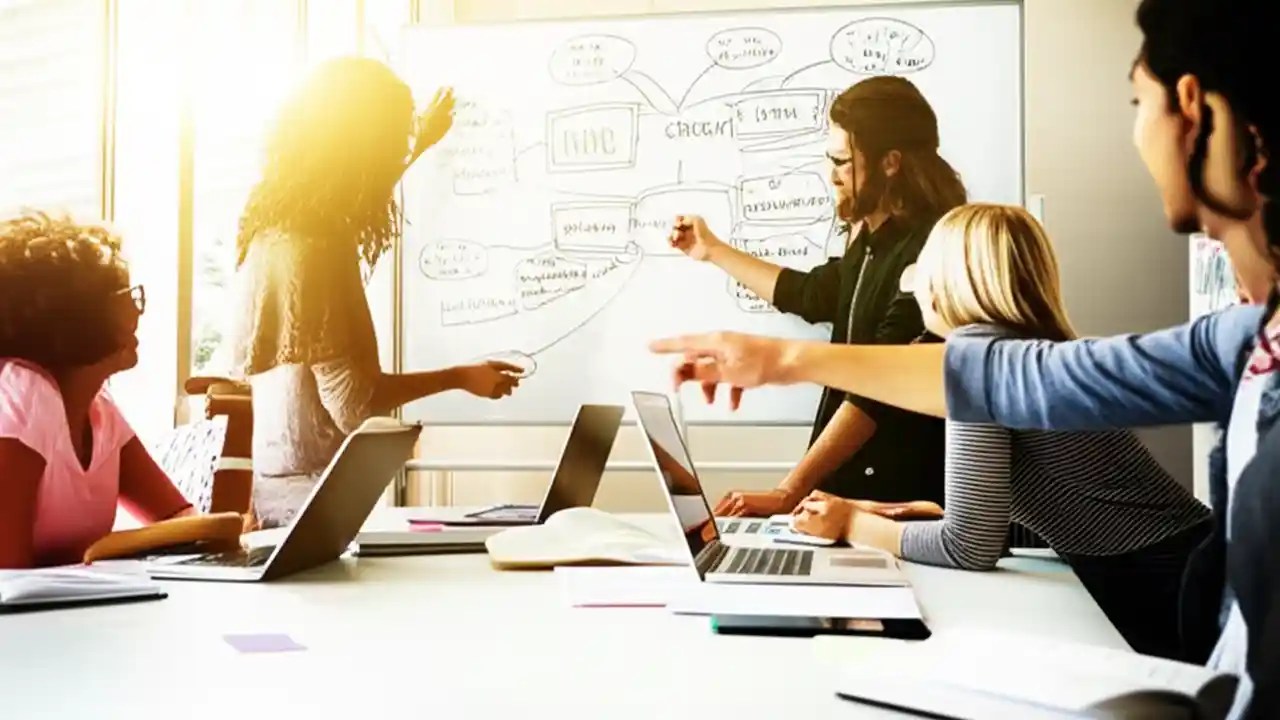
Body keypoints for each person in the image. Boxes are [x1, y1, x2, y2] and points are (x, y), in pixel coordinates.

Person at [650, 0, 1278, 715]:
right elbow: (1027, 420)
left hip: (1164, 584)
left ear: (1194, 110)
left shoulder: (982, 344)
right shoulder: (1238, 340)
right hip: (1179, 585)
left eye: (1139, 104)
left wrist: (838, 488)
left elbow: (986, 403)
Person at [789, 203, 1211, 659]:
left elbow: (969, 548)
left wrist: (852, 524)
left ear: (947, 282)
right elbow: (1061, 510)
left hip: (1168, 584)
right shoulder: (1021, 349)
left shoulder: (977, 359)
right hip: (1189, 562)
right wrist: (908, 515)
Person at [228, 58, 524, 529]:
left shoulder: (277, 222)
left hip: (281, 486)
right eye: (389, 145)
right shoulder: (316, 247)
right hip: (310, 501)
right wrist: (459, 377)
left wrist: (419, 145)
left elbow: (359, 196)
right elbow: (355, 404)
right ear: (360, 150)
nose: (392, 156)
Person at [667, 76, 967, 517]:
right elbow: (809, 294)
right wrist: (710, 249)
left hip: (895, 510)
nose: (832, 176)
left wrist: (789, 491)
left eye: (842, 162)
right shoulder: (870, 241)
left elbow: (877, 390)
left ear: (890, 163)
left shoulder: (931, 250)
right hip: (841, 501)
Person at [0, 213, 195, 569]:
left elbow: (180, 520)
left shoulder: (99, 409)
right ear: (74, 319)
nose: (137, 310)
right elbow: (6, 582)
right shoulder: (24, 397)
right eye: (123, 297)